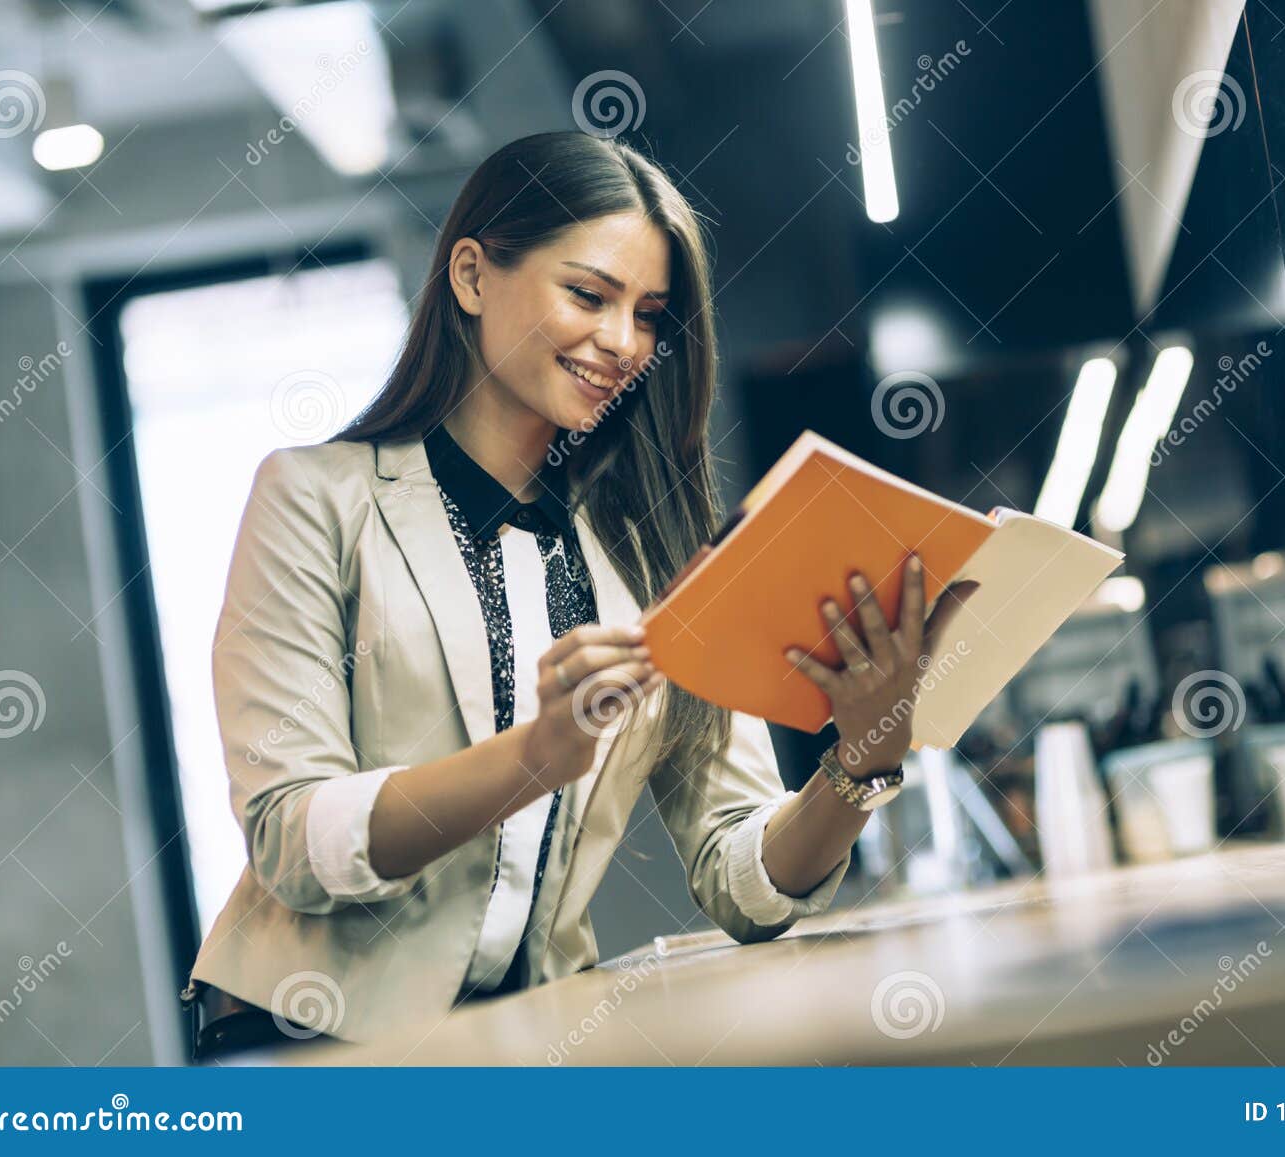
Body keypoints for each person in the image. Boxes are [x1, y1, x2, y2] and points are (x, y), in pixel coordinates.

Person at [181, 130, 952, 1059]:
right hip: (307, 1041)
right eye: (588, 295)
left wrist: (861, 759)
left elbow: (742, 876)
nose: (623, 342)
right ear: (471, 277)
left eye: (651, 315)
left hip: (520, 1045)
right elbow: (295, 841)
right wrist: (536, 756)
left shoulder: (650, 556)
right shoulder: (315, 497)